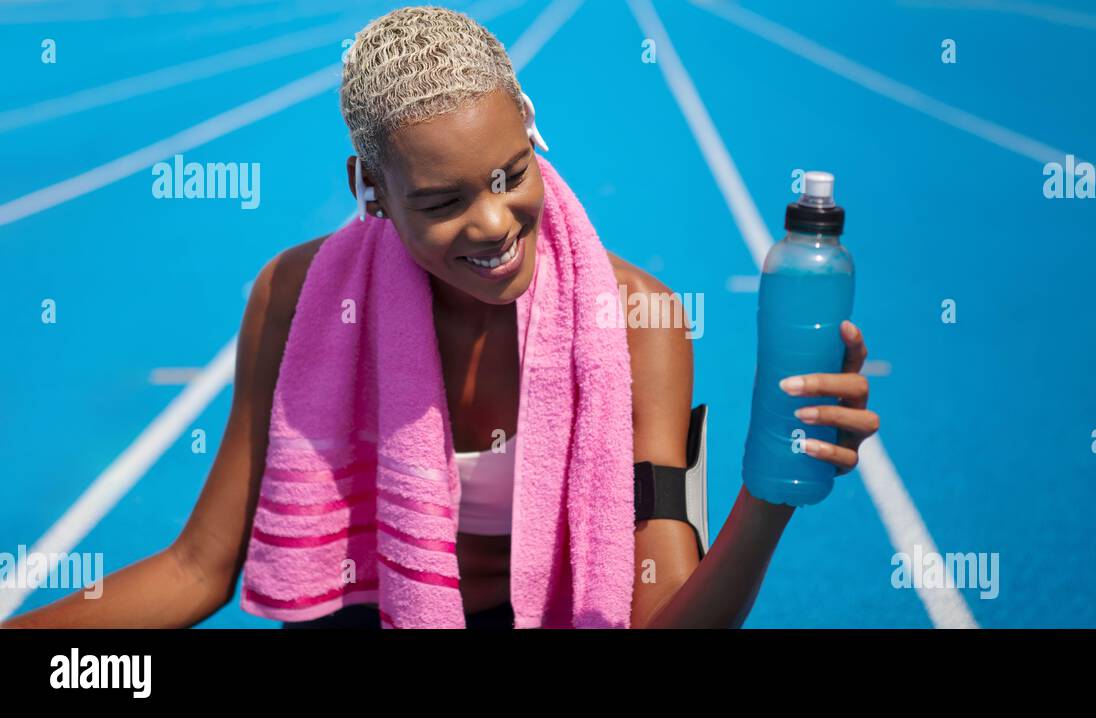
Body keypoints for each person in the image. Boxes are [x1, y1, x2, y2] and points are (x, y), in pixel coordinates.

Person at [1, 6, 879, 630]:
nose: (495, 224)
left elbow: (656, 615)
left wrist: (768, 497)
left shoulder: (637, 320)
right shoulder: (297, 297)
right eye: (443, 200)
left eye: (509, 175)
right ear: (370, 192)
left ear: (532, 134)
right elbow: (198, 568)